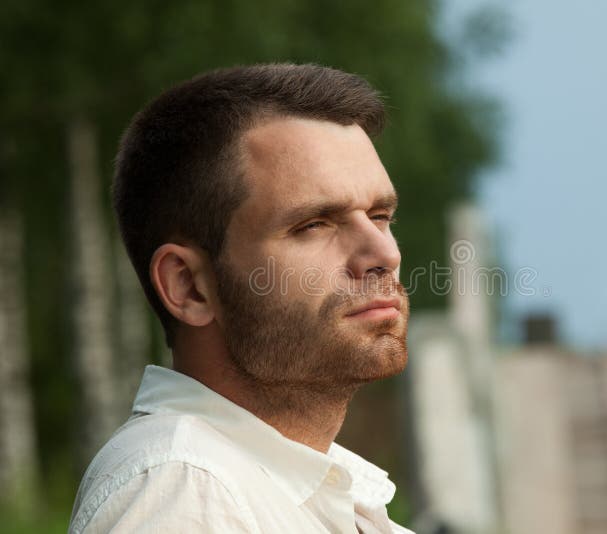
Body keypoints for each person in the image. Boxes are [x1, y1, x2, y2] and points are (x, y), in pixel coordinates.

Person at [69, 63, 413, 534]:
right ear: (189, 286)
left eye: (379, 215)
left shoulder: (304, 494)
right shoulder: (185, 490)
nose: (384, 253)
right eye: (314, 224)